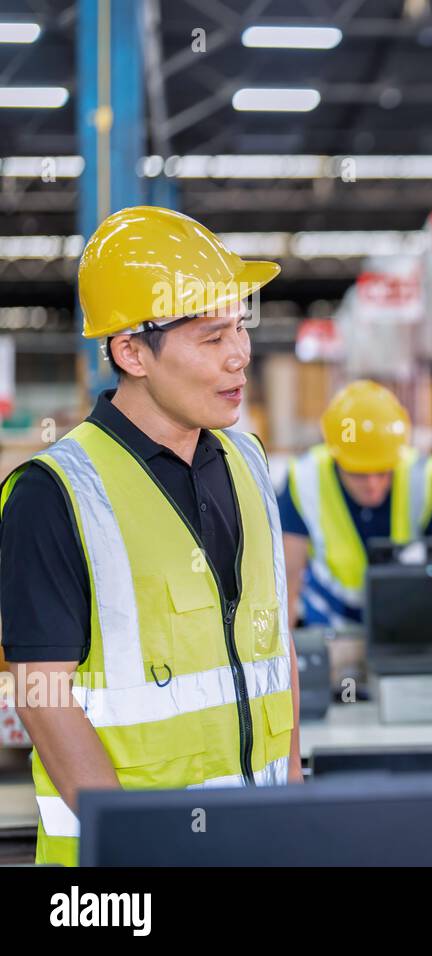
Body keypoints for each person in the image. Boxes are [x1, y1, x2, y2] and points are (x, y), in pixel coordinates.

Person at [0, 206, 301, 866]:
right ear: (131, 351)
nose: (240, 355)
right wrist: (130, 842)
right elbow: (42, 692)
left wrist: (292, 807)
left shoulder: (248, 462)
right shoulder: (53, 493)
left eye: (240, 329)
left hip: (256, 842)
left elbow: (274, 649)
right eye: (212, 336)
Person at [278, 380, 432, 628]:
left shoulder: (424, 478)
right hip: (331, 624)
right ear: (336, 459)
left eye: (383, 472)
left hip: (409, 625)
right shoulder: (305, 478)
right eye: (359, 474)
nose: (373, 484)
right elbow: (288, 576)